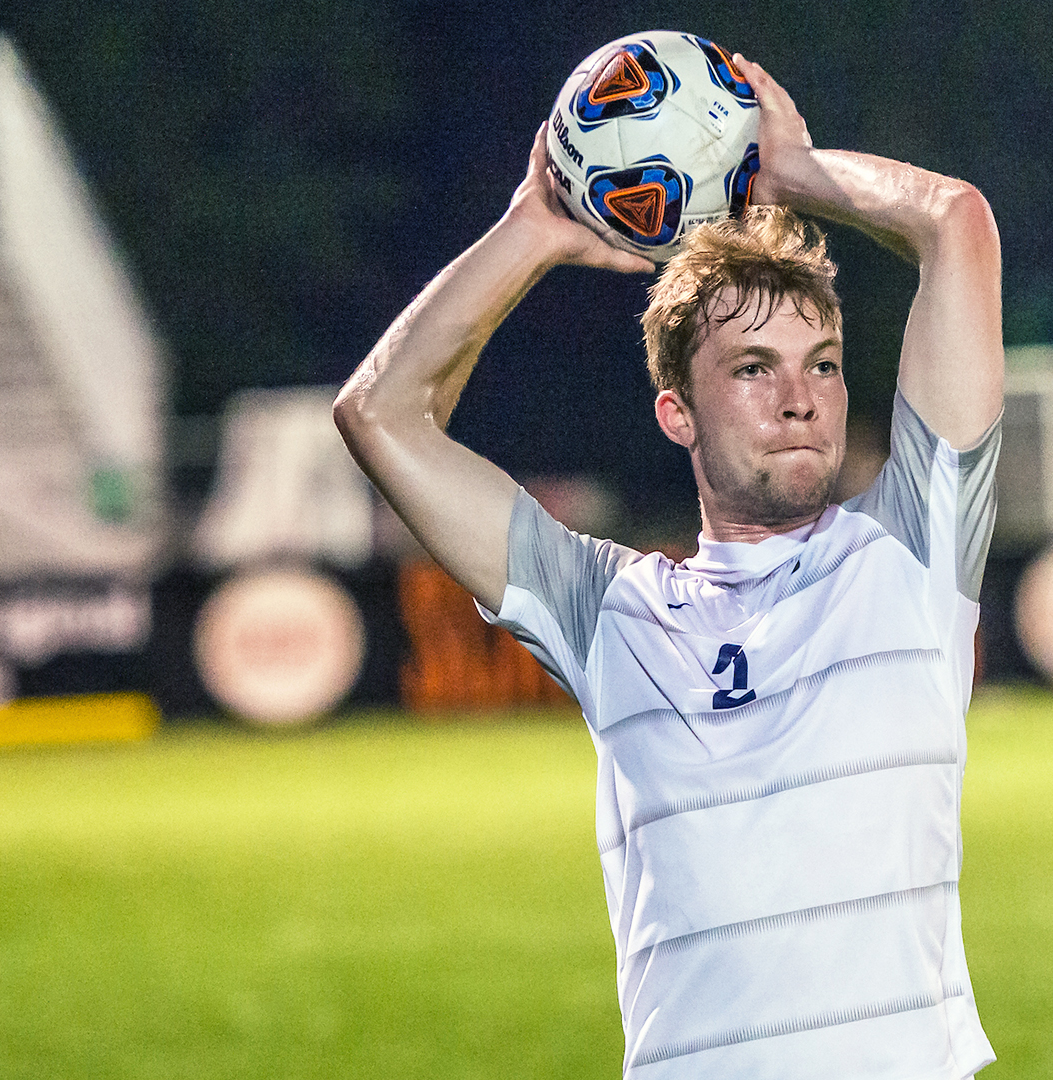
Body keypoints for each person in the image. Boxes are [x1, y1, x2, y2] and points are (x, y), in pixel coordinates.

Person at [335, 54, 1002, 1079]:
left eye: (821, 363)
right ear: (675, 413)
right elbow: (381, 417)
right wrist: (532, 232)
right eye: (752, 368)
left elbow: (955, 224)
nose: (801, 397)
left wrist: (795, 173)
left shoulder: (913, 552)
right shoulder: (611, 614)